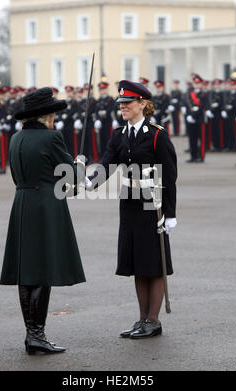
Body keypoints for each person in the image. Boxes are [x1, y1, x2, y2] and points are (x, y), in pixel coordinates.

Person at [88, 80, 177, 339]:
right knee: (138, 262)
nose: (123, 107)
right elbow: (107, 163)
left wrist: (170, 214)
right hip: (129, 202)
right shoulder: (119, 135)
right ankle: (142, 319)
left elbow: (170, 177)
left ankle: (153, 320)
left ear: (143, 104)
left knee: (155, 263)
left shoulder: (157, 135)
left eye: (128, 103)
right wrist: (89, 181)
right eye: (121, 104)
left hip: (153, 204)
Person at [0, 87, 86, 354]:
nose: (55, 120)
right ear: (47, 116)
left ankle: (32, 334)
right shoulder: (52, 138)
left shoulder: (15, 139)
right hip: (46, 207)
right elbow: (71, 176)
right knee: (42, 272)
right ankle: (36, 335)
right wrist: (80, 164)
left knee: (27, 273)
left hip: (23, 203)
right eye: (53, 115)